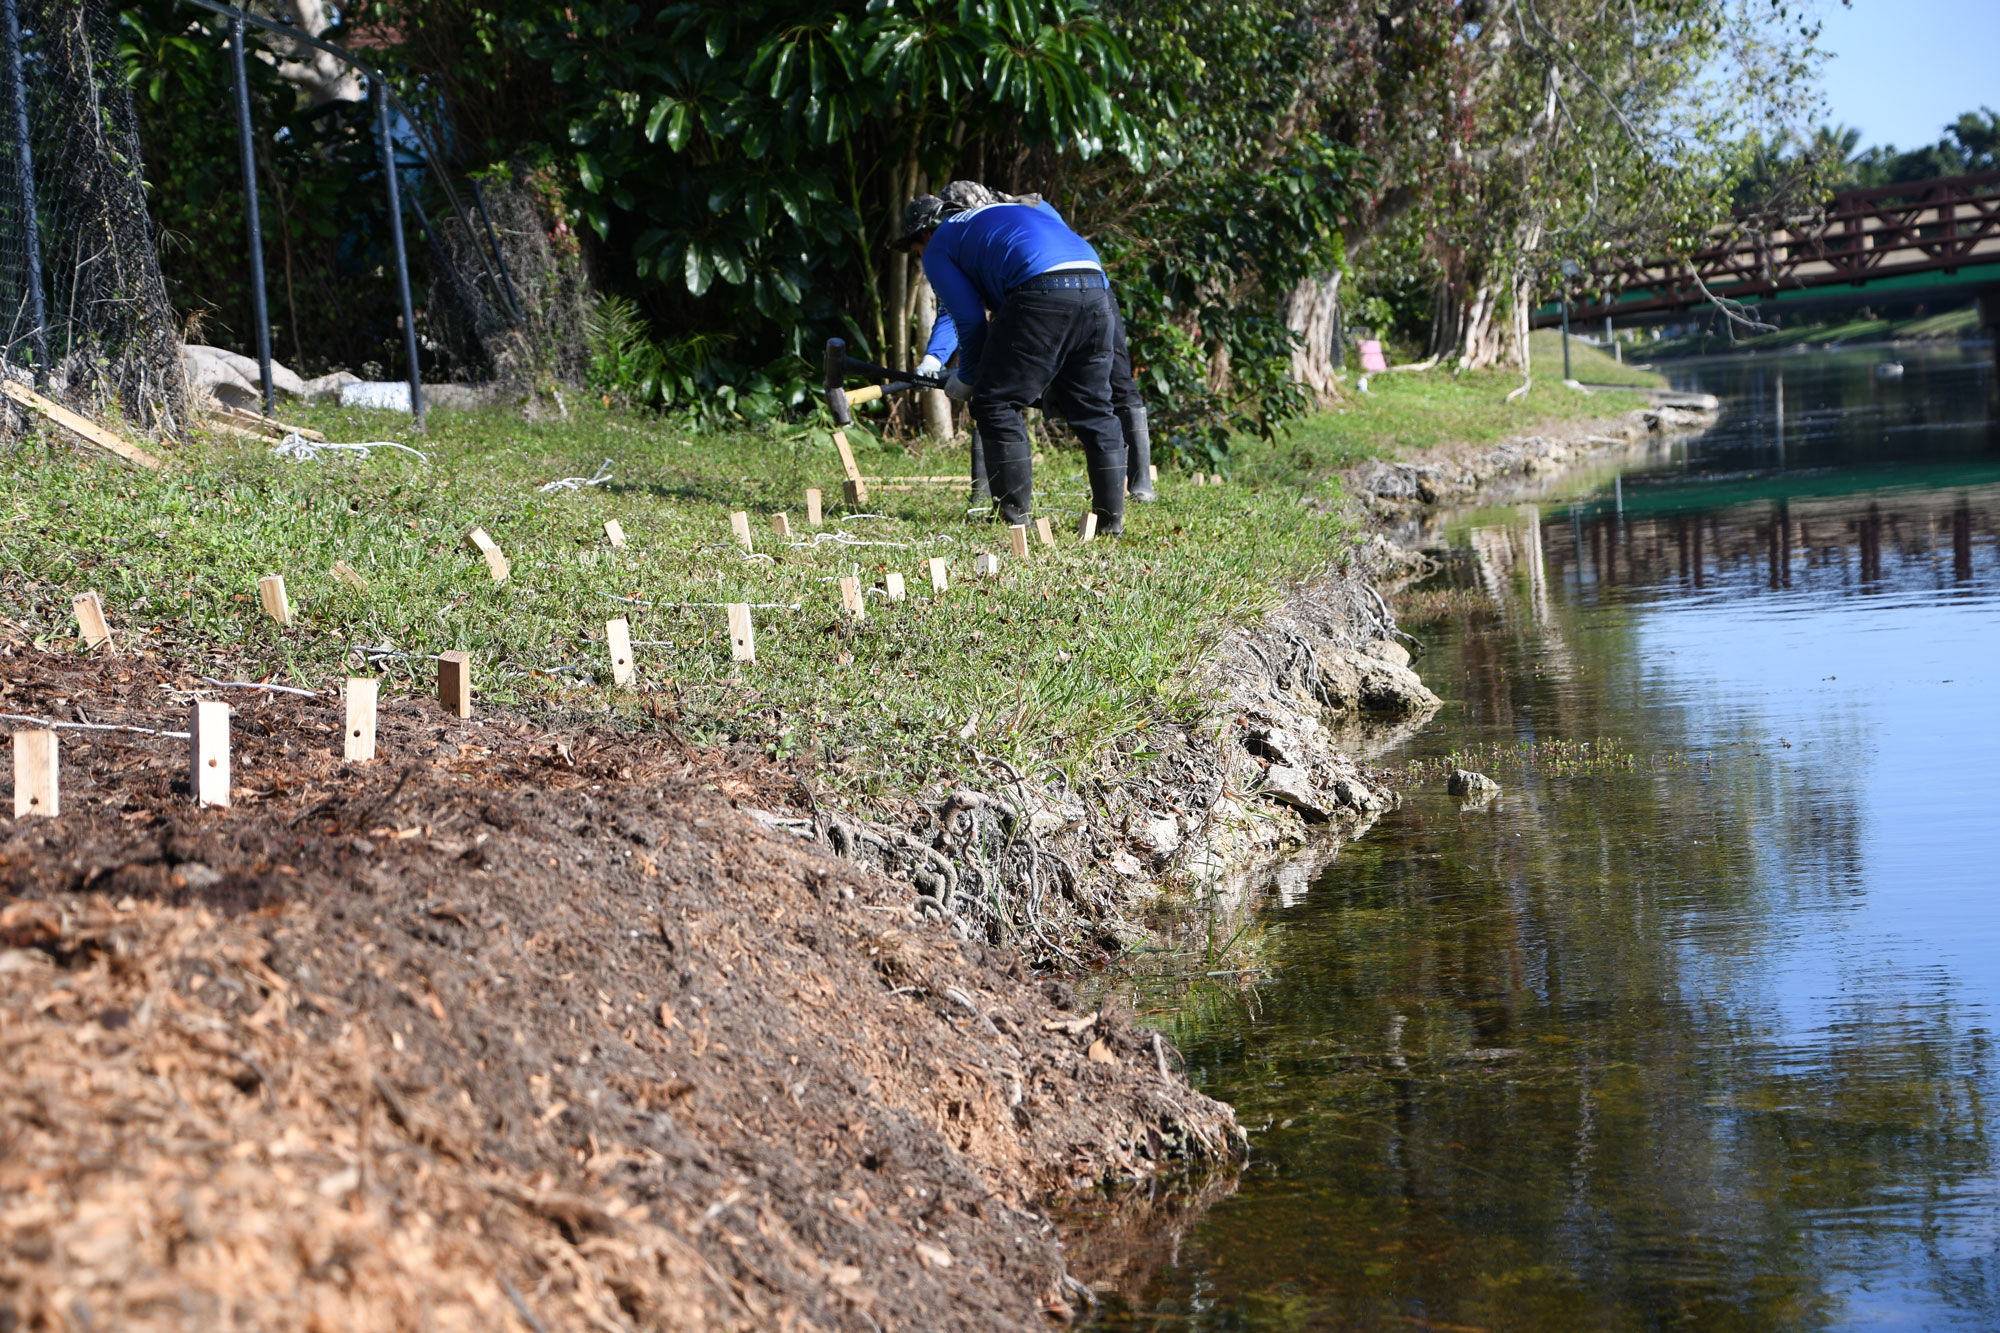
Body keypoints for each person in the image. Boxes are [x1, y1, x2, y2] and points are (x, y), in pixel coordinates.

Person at [894, 183, 1136, 532]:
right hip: (1096, 287)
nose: (921, 258)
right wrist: (936, 358)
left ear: (925, 232)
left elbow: (970, 320)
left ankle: (1013, 520)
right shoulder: (1004, 214)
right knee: (1094, 408)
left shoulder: (940, 244)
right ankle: (1109, 524)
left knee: (995, 403)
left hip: (1039, 289)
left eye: (917, 250)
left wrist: (970, 377)